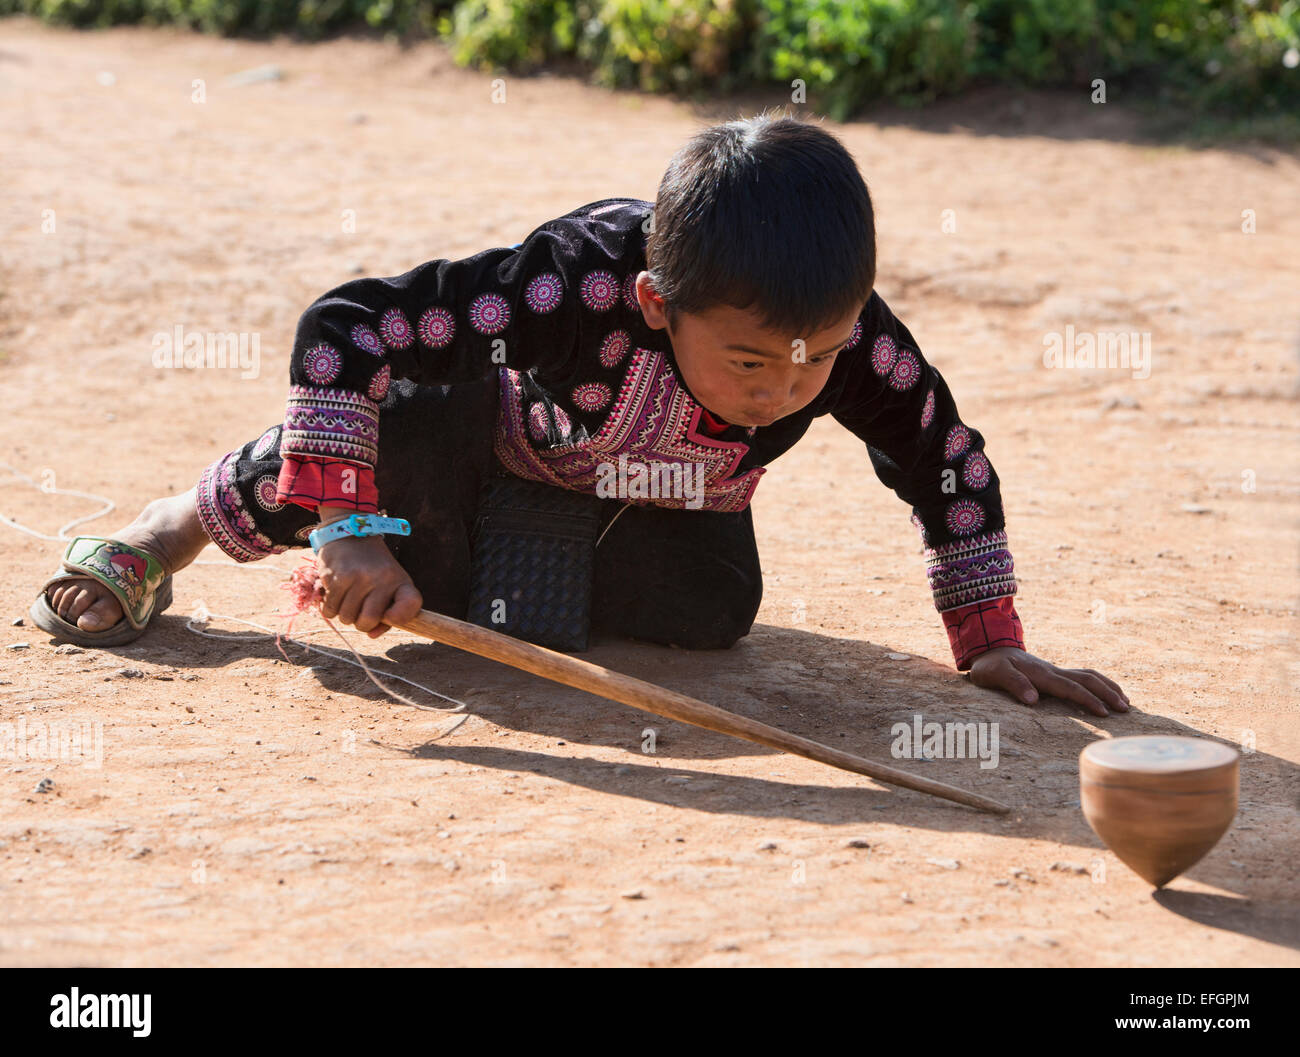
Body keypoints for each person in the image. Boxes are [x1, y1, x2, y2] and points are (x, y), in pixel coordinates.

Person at [31, 110, 1129, 717]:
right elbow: (348, 326)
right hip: (489, 436)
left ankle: (488, 559)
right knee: (402, 425)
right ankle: (175, 523)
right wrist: (349, 528)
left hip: (654, 497)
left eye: (814, 363)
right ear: (657, 304)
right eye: (749, 362)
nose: (787, 387)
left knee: (712, 613)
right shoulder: (574, 284)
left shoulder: (844, 341)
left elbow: (943, 456)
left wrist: (988, 641)